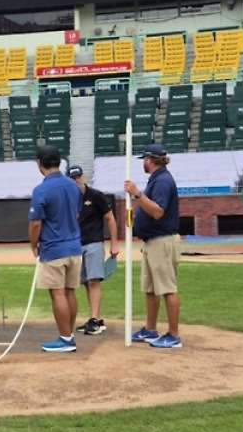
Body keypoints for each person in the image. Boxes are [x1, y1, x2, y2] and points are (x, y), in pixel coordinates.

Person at [123, 143, 182, 349]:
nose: (143, 163)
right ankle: (150, 328)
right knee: (150, 289)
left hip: (162, 240)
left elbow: (158, 212)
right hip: (152, 241)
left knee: (167, 288)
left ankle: (173, 335)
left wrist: (137, 195)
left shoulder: (163, 181)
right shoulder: (156, 180)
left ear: (150, 160)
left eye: (144, 160)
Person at [28, 146, 83, 353]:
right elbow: (76, 214)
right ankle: (68, 333)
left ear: (39, 163)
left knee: (58, 293)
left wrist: (34, 245)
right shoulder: (73, 185)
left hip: (54, 247)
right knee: (69, 292)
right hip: (74, 245)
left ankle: (66, 337)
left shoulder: (41, 190)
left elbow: (35, 223)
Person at [67, 165, 120, 336]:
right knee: (85, 282)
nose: (76, 181)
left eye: (78, 177)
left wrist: (114, 244)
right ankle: (94, 318)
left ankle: (95, 319)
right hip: (77, 245)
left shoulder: (95, 196)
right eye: (73, 178)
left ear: (83, 177)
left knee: (93, 281)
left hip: (94, 243)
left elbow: (110, 219)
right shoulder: (70, 199)